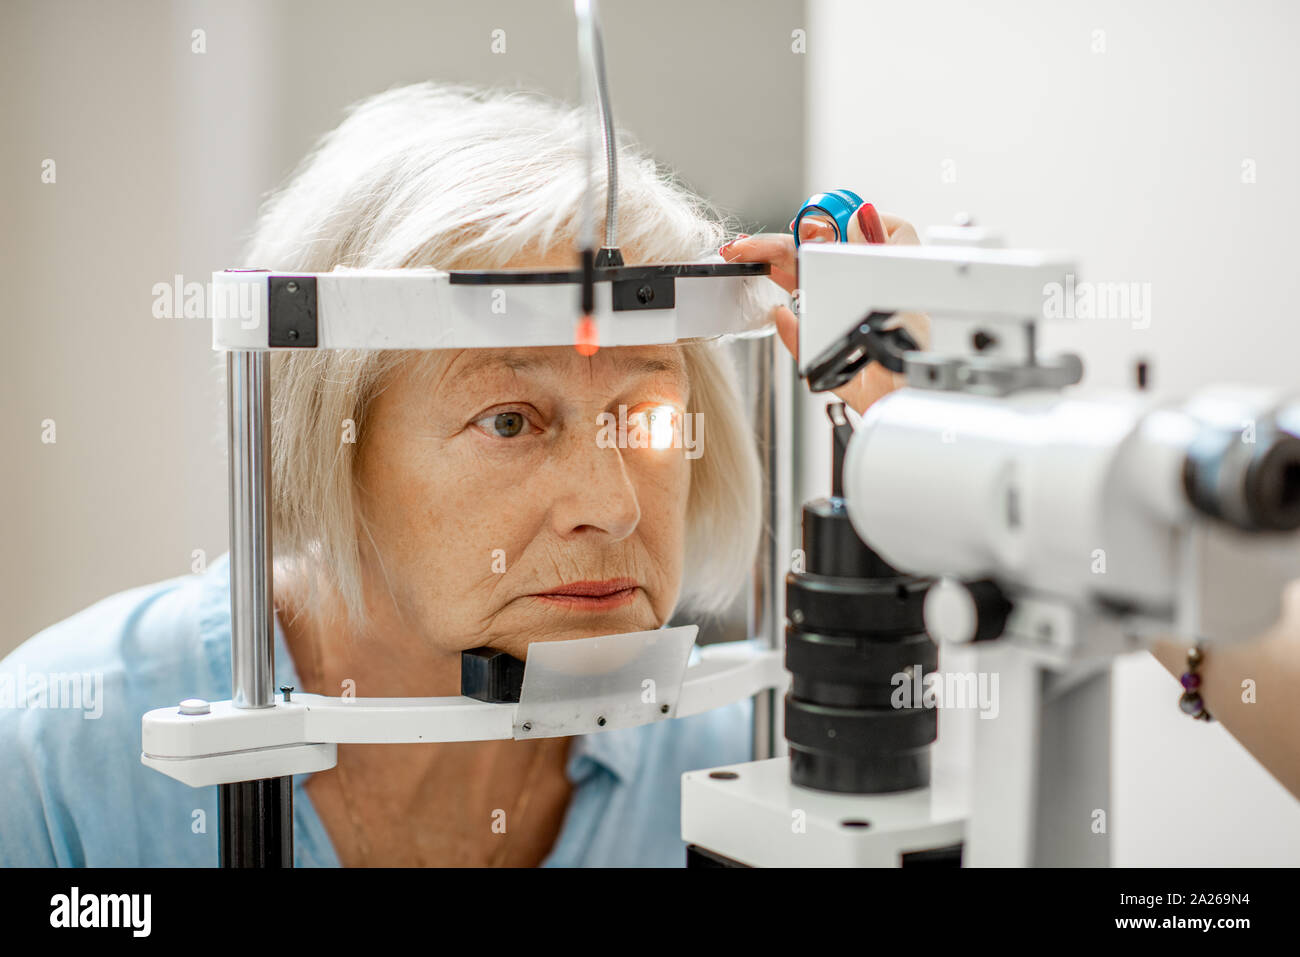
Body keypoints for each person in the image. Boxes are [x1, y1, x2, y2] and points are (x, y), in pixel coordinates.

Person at [0, 81, 793, 867]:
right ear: (330, 446)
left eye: (645, 419)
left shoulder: (728, 767)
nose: (612, 506)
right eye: (509, 420)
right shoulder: (55, 758)